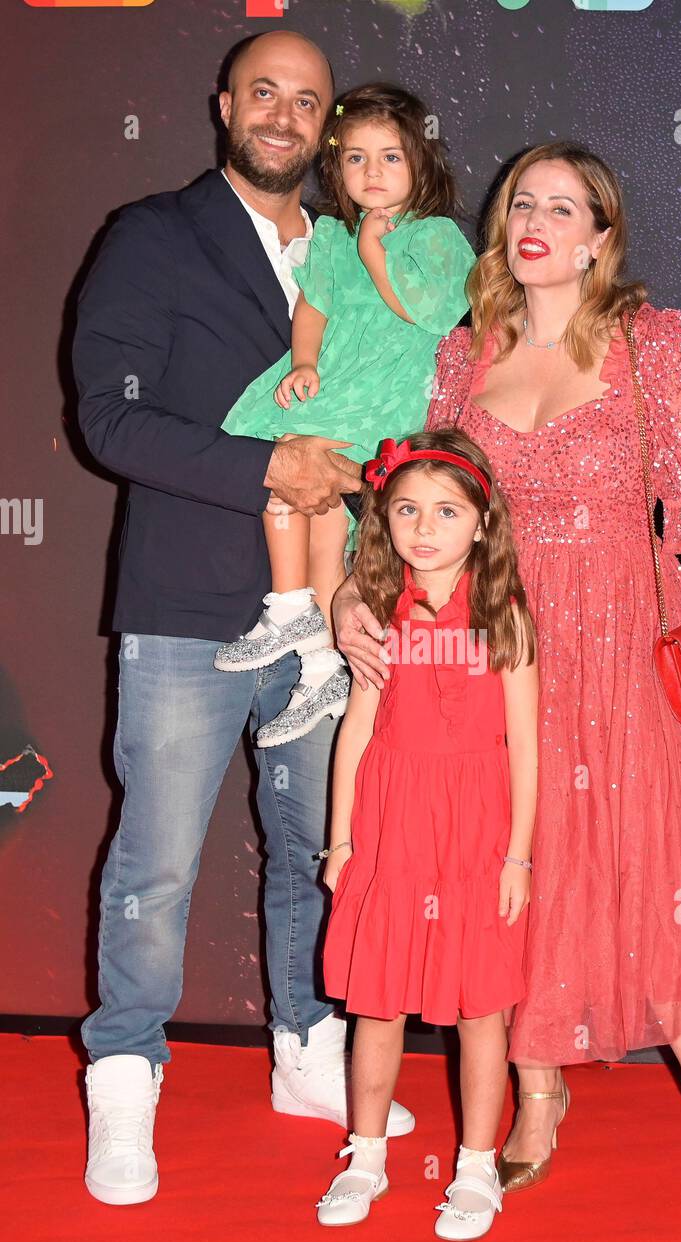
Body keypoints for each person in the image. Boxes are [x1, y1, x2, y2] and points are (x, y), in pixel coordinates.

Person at [333, 141, 681, 1226]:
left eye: (562, 206)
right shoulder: (459, 353)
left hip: (626, 641)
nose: (534, 218)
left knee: (652, 866)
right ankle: (534, 1096)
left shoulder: (652, 343)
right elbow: (417, 499)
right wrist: (354, 594)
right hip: (500, 654)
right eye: (519, 201)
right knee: (513, 870)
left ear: (598, 237)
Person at [70, 29, 414, 1208]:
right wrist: (269, 466)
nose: (284, 115)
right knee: (156, 864)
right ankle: (123, 1072)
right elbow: (108, 424)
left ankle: (307, 1054)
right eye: (263, 92)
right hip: (184, 606)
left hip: (325, 607)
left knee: (321, 852)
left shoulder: (356, 254)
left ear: (327, 127)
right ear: (224, 103)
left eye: (306, 101)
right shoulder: (151, 236)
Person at [315, 429, 539, 1240]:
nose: (424, 526)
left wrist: (518, 852)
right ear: (385, 519)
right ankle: (365, 1157)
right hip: (393, 819)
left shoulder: (504, 615)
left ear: (481, 523)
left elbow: (527, 743)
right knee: (377, 1001)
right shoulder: (378, 611)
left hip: (478, 826)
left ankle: (477, 1168)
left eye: (447, 510)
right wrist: (340, 843)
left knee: (482, 1005)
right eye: (407, 508)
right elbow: (357, 729)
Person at [214, 84, 476, 750]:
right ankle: (315, 642)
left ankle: (300, 617)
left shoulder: (437, 237)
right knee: (301, 485)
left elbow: (430, 310)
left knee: (306, 473)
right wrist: (304, 362)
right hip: (336, 378)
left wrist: (378, 255)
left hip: (387, 392)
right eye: (356, 158)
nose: (372, 173)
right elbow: (314, 309)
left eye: (390, 157)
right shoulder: (332, 235)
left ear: (422, 162)